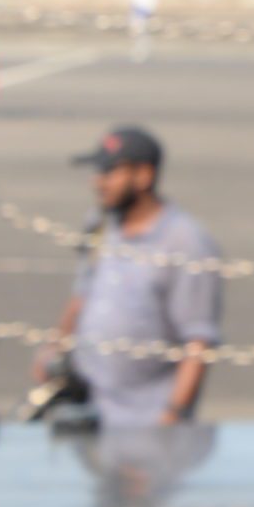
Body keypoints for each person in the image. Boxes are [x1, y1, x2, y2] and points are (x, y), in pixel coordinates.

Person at [35, 125, 222, 428]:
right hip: (87, 410)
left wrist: (171, 418)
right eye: (97, 172)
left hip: (145, 419)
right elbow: (83, 293)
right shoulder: (100, 224)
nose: (98, 182)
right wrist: (55, 349)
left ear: (144, 176)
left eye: (110, 172)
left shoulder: (185, 242)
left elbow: (198, 342)